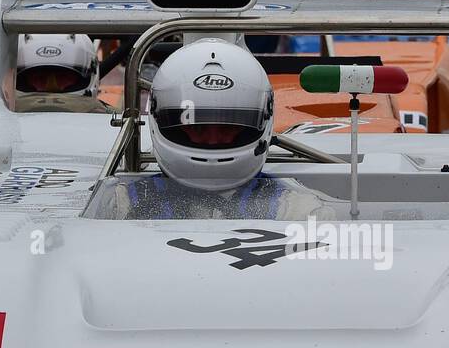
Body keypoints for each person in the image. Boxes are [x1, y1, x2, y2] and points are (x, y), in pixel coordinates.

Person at [88, 39, 328, 220]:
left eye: (228, 127)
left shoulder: (300, 212)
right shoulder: (119, 207)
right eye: (198, 127)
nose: (213, 141)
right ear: (159, 118)